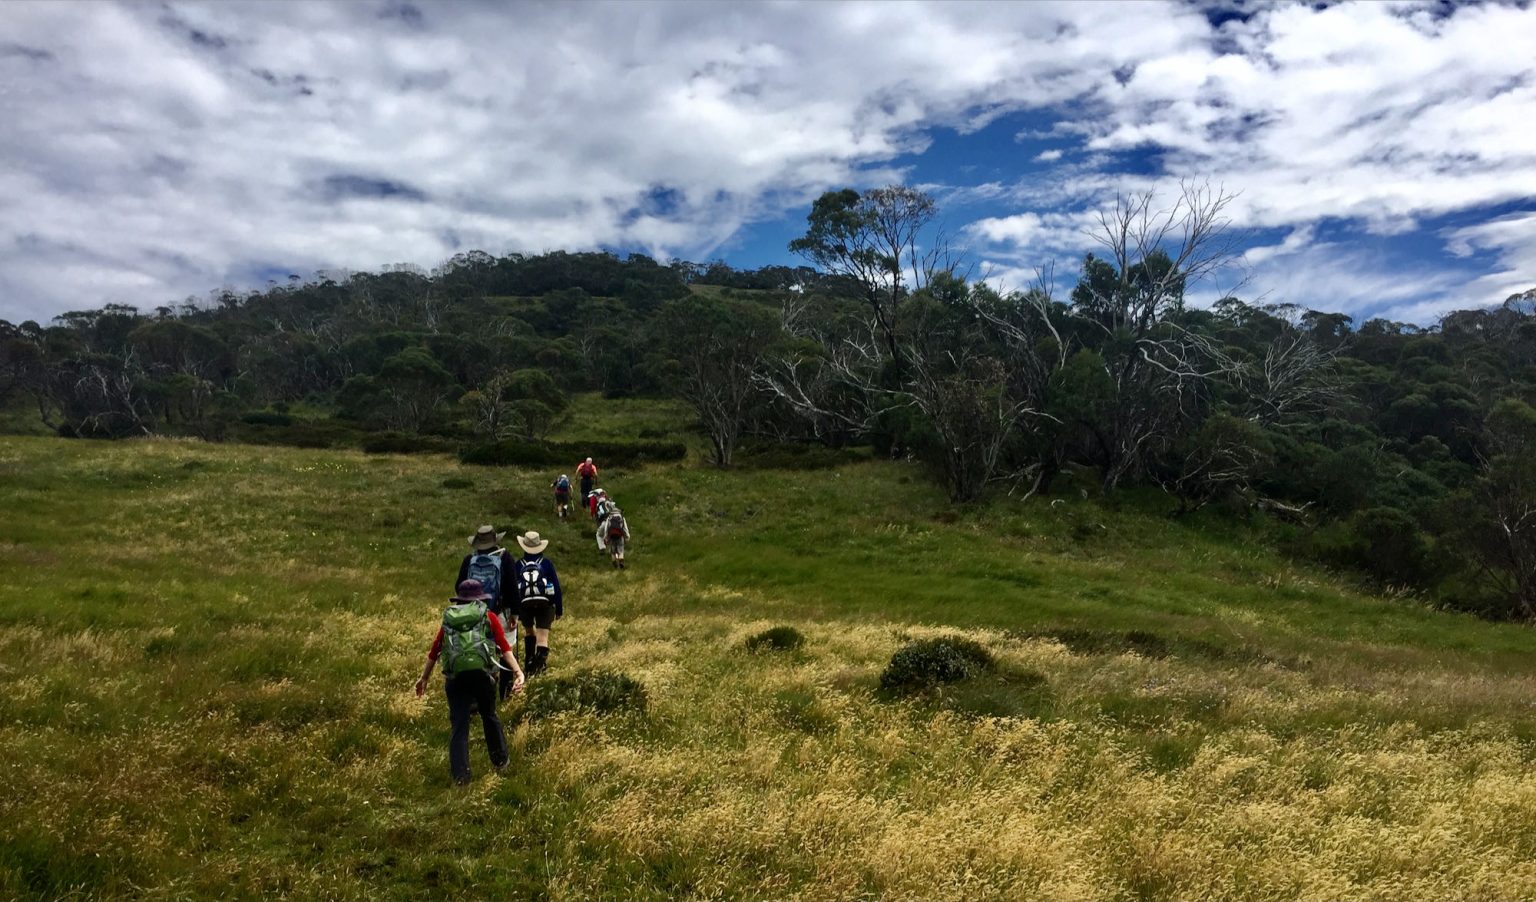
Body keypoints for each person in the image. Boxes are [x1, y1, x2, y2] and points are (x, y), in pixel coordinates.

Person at [414, 579, 525, 785]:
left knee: (459, 724)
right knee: (489, 715)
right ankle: (500, 761)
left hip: (455, 678)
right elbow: (504, 647)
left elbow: (435, 650)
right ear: (480, 598)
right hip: (483, 676)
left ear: (459, 599)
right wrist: (518, 672)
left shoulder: (449, 619)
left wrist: (424, 678)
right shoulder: (488, 616)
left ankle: (461, 776)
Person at [456, 526, 520, 696]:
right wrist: (514, 614)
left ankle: (481, 694)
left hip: (474, 613)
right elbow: (513, 588)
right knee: (506, 650)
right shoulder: (505, 557)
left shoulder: (469, 559)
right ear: (495, 541)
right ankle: (506, 692)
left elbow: (458, 587)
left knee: (479, 650)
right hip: (500, 613)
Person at [512, 530, 562, 676]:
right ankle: (539, 669)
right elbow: (556, 587)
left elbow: (514, 588)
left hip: (524, 604)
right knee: (543, 637)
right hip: (545, 604)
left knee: (529, 631)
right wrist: (559, 609)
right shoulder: (546, 563)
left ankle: (528, 664)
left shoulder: (518, 564)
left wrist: (515, 610)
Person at [601, 503, 631, 569]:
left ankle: (614, 563)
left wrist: (605, 537)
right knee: (621, 550)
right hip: (620, 536)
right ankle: (621, 562)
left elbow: (606, 528)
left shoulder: (609, 518)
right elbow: (625, 528)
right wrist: (627, 536)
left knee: (613, 551)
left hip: (611, 537)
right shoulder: (621, 517)